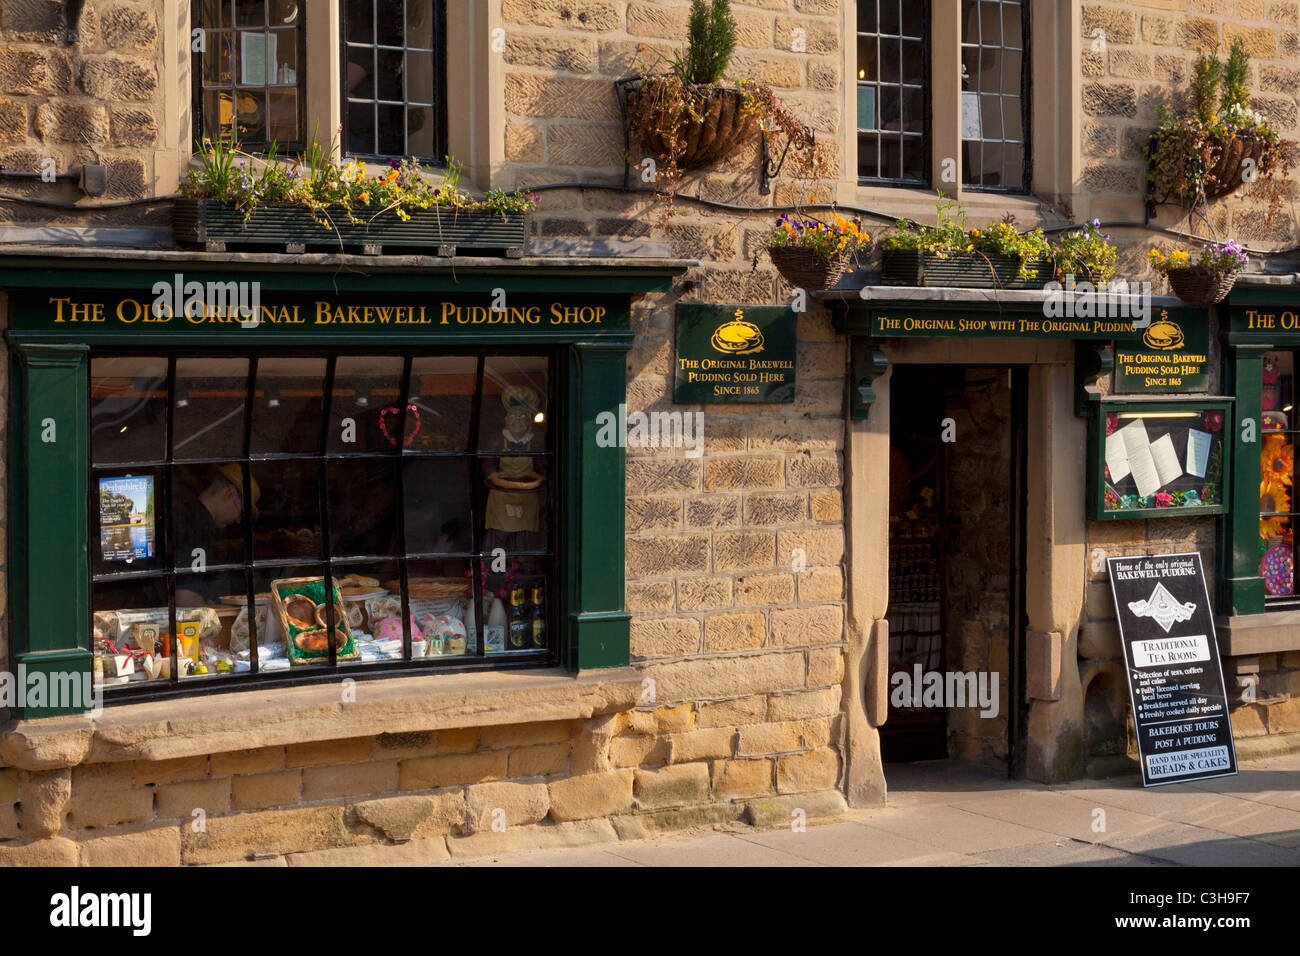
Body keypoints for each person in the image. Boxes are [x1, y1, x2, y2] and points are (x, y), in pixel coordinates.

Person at [174, 464, 260, 607]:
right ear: (229, 495)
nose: (239, 520)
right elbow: (187, 599)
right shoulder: (197, 527)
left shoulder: (188, 515)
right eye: (242, 512)